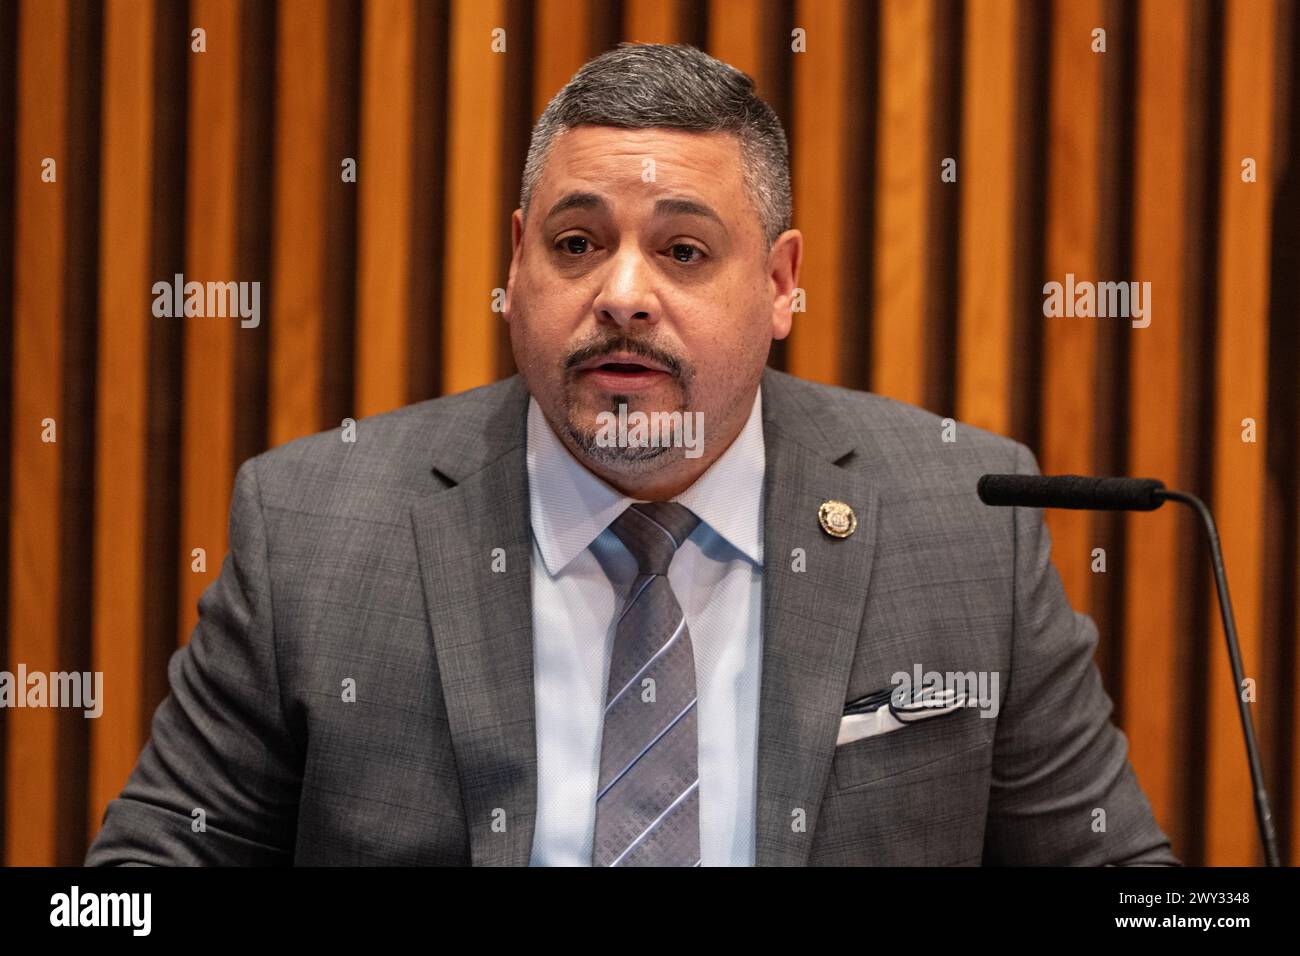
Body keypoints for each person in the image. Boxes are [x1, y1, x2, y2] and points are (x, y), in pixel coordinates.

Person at [86, 42, 1177, 866]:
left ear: (782, 282)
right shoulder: (316, 529)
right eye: (576, 243)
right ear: (515, 264)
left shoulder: (962, 524)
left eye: (683, 250)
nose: (619, 294)